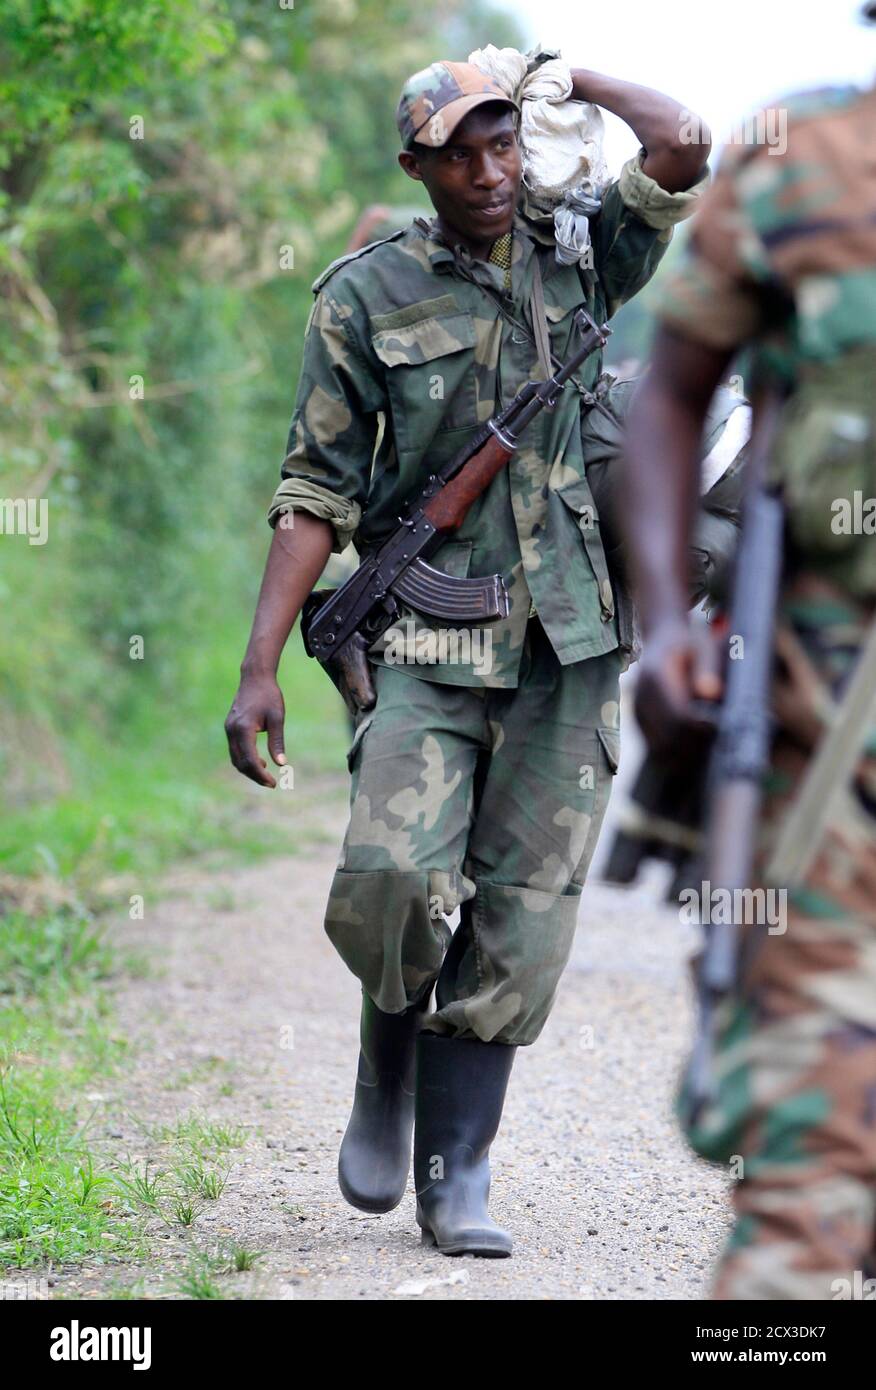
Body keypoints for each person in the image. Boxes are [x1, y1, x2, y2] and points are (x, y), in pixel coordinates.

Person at [225, 54, 710, 1256]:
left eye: (503, 145)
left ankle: (459, 1173)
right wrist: (258, 669)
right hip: (426, 643)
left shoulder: (585, 250)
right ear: (418, 168)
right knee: (395, 880)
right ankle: (382, 1075)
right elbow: (312, 491)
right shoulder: (363, 294)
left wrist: (577, 78)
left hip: (576, 642)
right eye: (461, 153)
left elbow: (687, 144)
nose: (490, 173)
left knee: (524, 921)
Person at [623, 15, 876, 1298]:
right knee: (805, 1192)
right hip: (830, 739)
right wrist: (668, 622)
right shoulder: (806, 164)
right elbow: (670, 389)